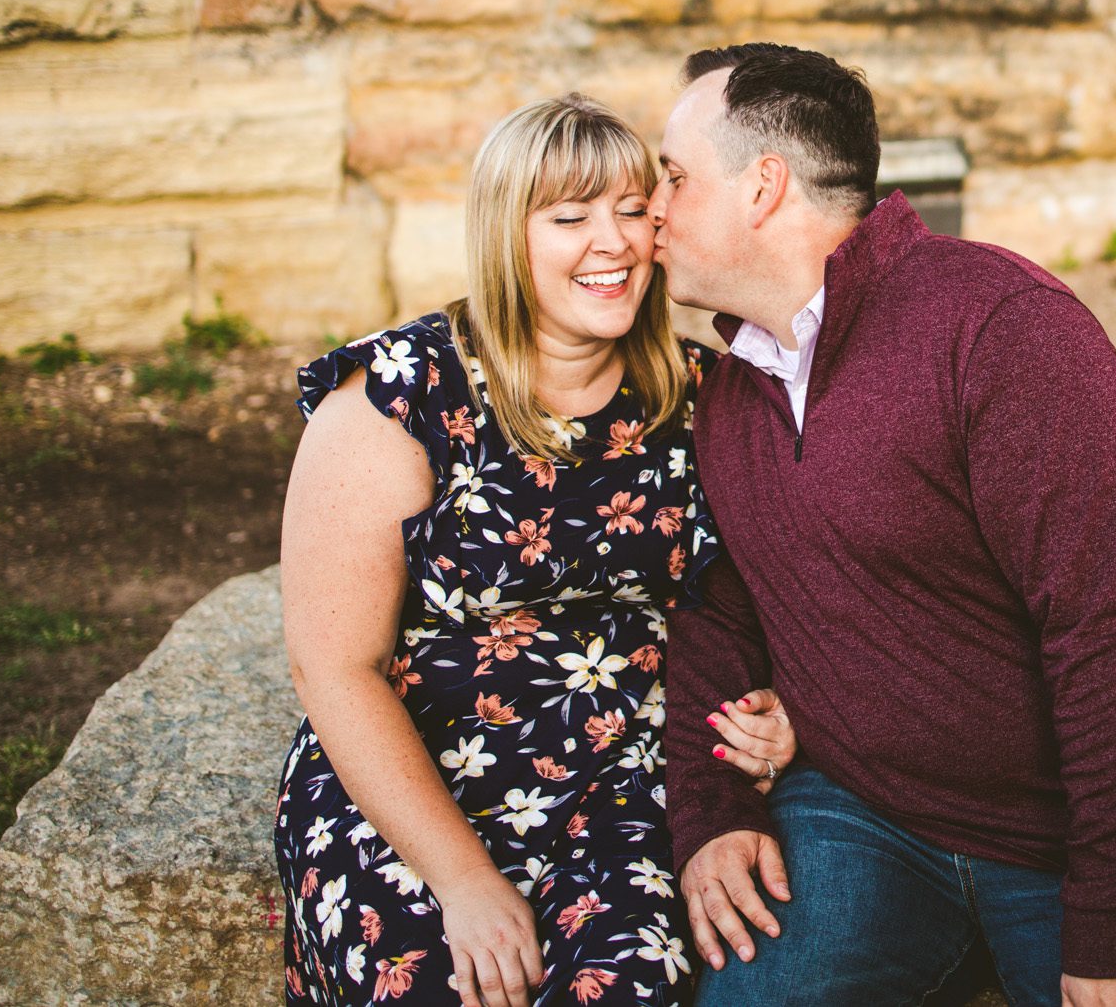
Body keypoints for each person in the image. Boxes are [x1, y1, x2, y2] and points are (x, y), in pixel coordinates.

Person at [652, 46, 1116, 1007]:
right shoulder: (732, 396)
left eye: (674, 177)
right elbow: (722, 613)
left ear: (762, 187)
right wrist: (714, 808)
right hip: (866, 813)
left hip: (1077, 835)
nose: (651, 208)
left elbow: (1112, 626)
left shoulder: (1001, 326)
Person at [272, 94, 797, 1007]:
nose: (613, 242)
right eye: (569, 218)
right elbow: (333, 667)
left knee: (628, 987)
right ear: (504, 234)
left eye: (631, 210)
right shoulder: (400, 396)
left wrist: (784, 709)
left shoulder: (703, 394)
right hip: (421, 772)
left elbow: (783, 591)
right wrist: (465, 882)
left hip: (624, 777)